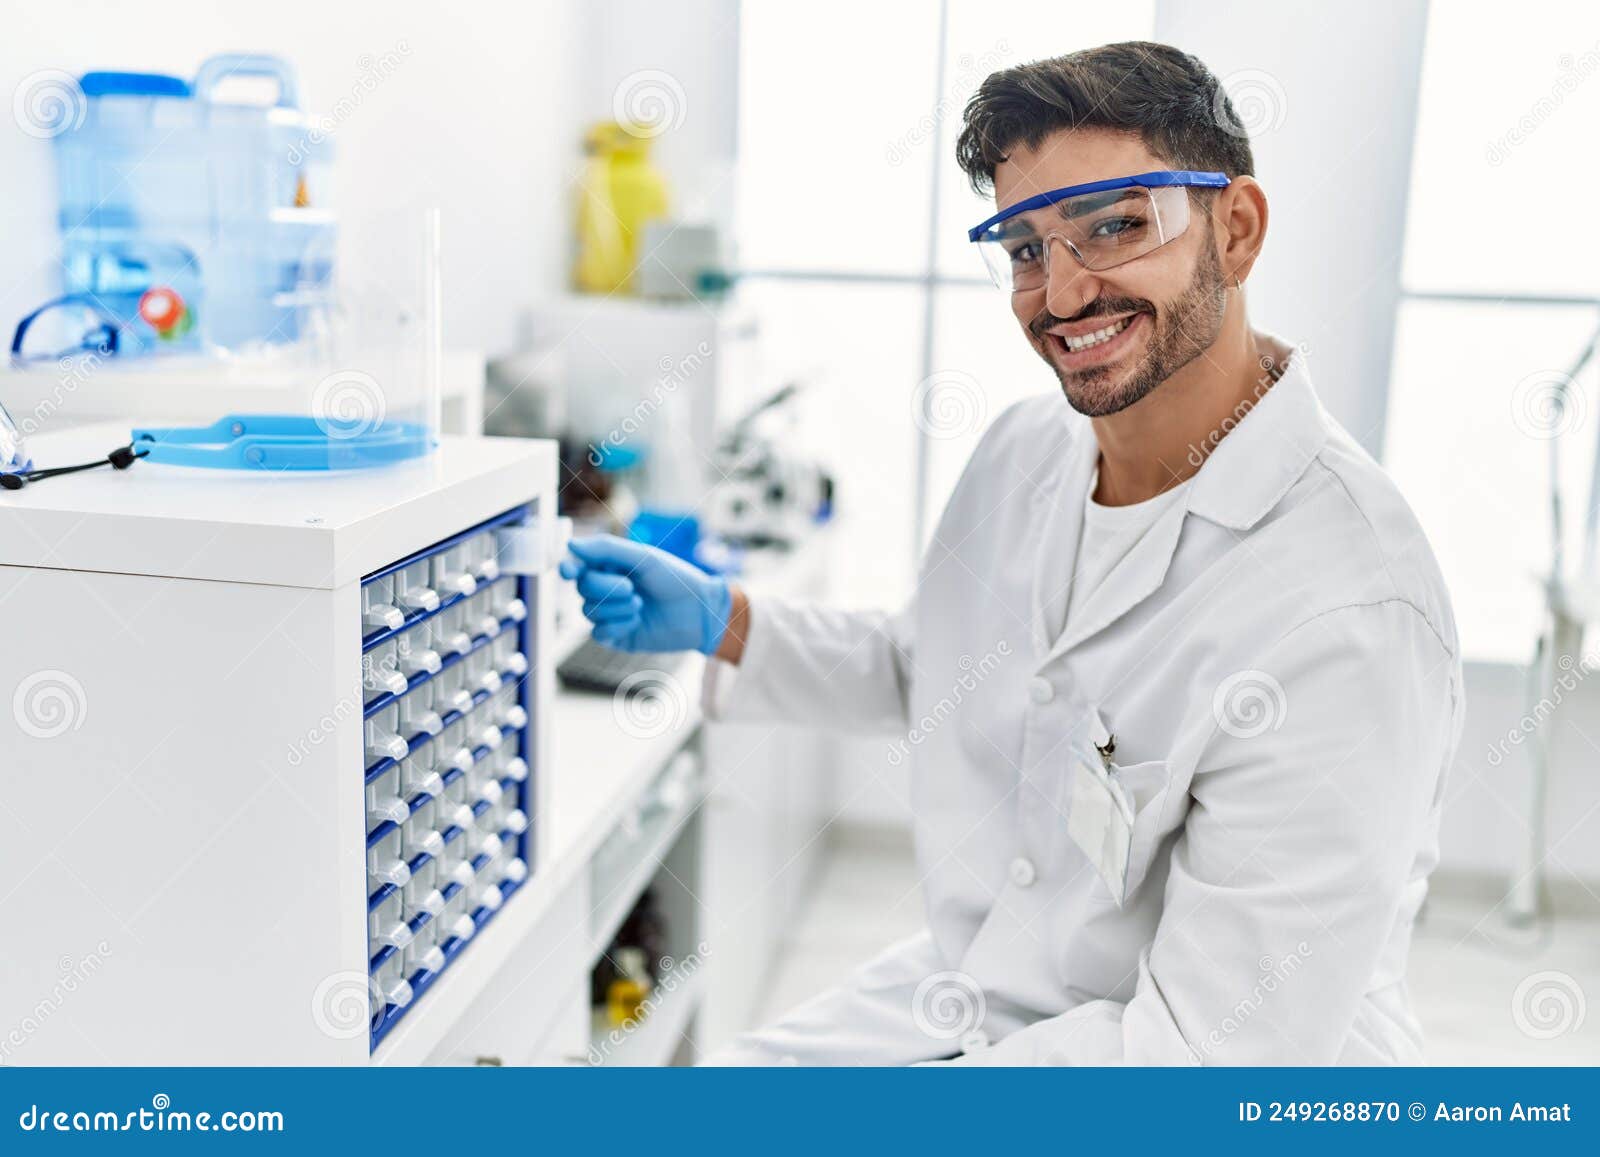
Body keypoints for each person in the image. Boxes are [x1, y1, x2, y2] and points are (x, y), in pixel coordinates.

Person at [560, 41, 1462, 1065]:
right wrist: (725, 619)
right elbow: (936, 667)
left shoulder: (1350, 607)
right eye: (1026, 247)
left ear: (1237, 227)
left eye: (1115, 225)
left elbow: (1209, 1055)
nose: (1063, 293)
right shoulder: (1026, 452)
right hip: (984, 996)